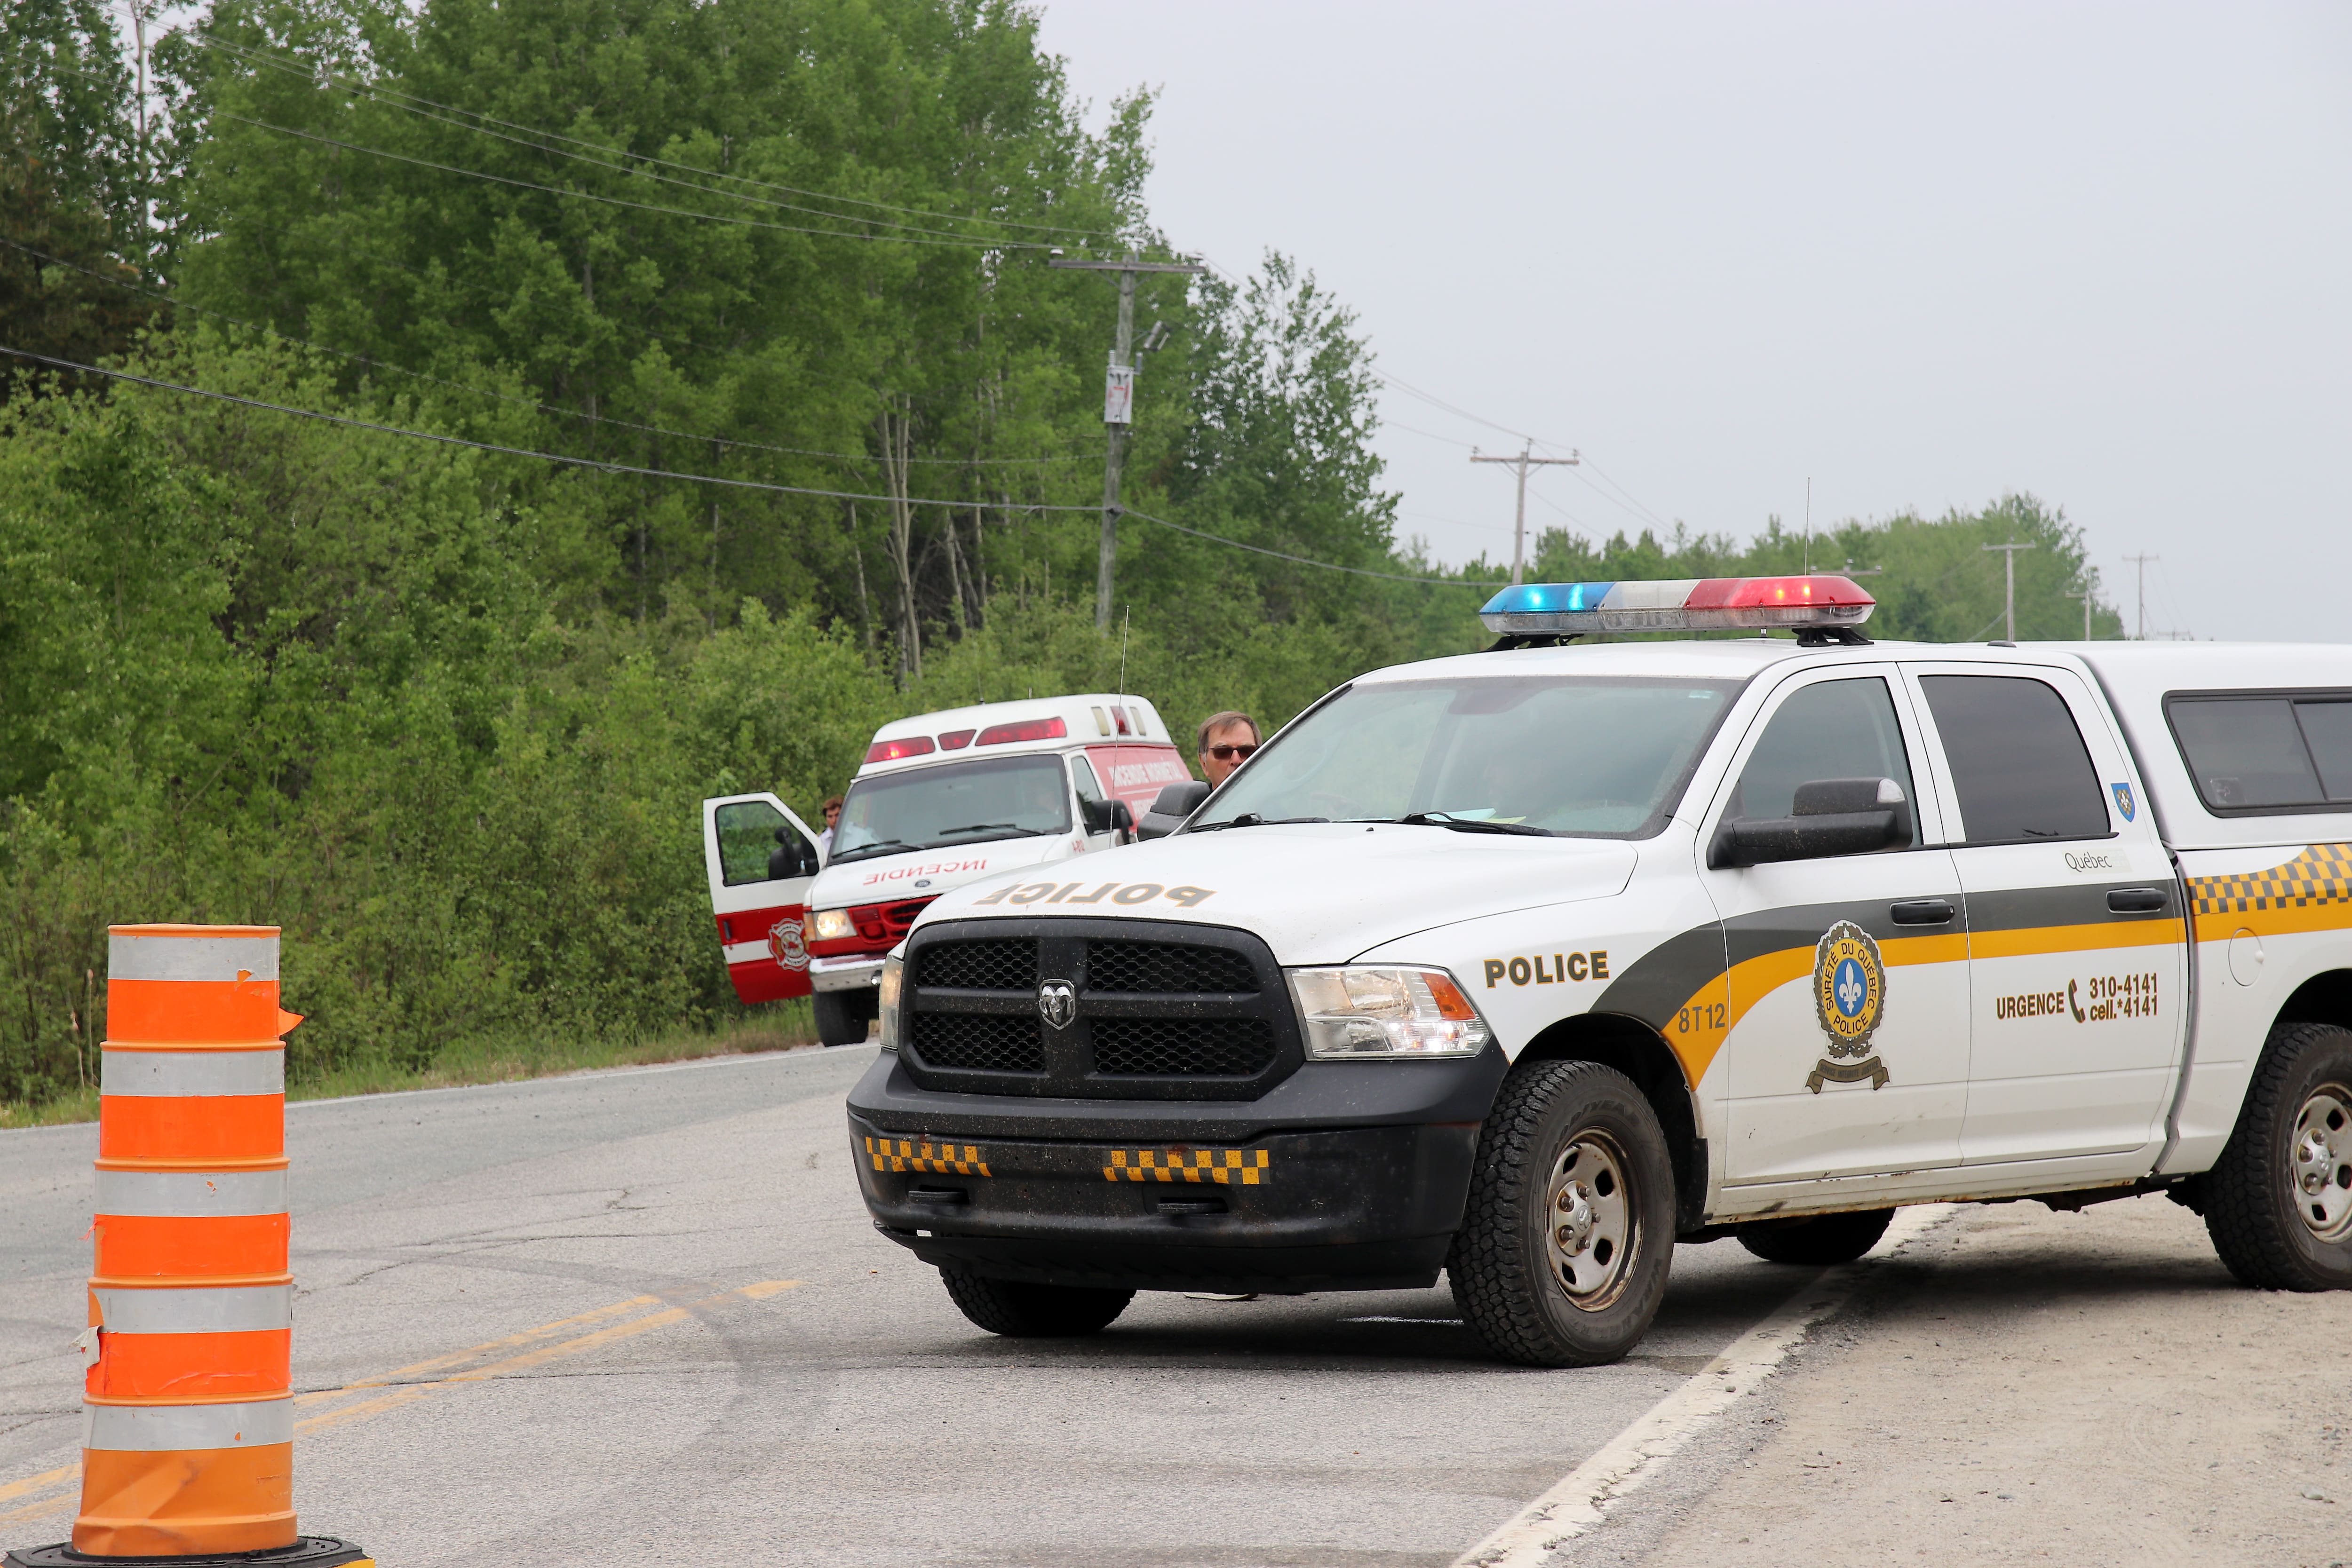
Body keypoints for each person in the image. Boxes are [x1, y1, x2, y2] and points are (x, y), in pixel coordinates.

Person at [1196, 711, 1261, 789]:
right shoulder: (1191, 801)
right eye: (1223, 752)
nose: (1236, 761)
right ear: (1204, 764)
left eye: (1246, 751)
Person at [816, 794, 843, 862]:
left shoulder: (860, 834)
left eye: (837, 815)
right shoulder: (821, 842)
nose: (834, 820)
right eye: (830, 817)